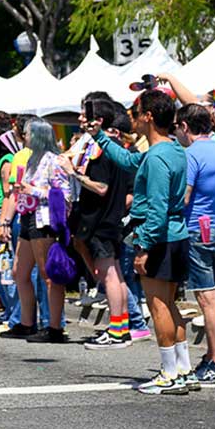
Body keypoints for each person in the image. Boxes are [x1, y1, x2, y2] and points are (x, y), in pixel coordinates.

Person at [94, 89, 191, 393]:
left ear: (148, 116)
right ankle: (182, 368)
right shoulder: (172, 149)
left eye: (135, 113)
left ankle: (169, 374)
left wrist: (144, 246)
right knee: (170, 305)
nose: (132, 119)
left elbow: (158, 206)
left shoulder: (159, 156)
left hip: (159, 237)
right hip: (175, 235)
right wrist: (100, 136)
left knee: (158, 305)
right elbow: (129, 160)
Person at [0, 118, 74, 344]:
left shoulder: (54, 161)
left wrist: (34, 190)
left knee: (48, 275)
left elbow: (65, 194)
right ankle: (26, 322)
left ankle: (54, 326)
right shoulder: (31, 159)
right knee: (19, 272)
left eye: (28, 133)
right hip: (27, 216)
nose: (24, 136)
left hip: (45, 220)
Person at [72, 101, 136, 350]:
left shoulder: (101, 149)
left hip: (100, 220)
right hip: (112, 218)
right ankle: (120, 326)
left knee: (110, 276)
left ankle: (117, 331)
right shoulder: (117, 148)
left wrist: (75, 173)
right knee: (116, 275)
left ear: (98, 120)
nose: (80, 118)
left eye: (85, 114)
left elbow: (102, 187)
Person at [176, 101, 215, 383]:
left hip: (199, 230)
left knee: (207, 298)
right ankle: (211, 355)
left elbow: (185, 197)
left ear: (184, 127)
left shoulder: (190, 155)